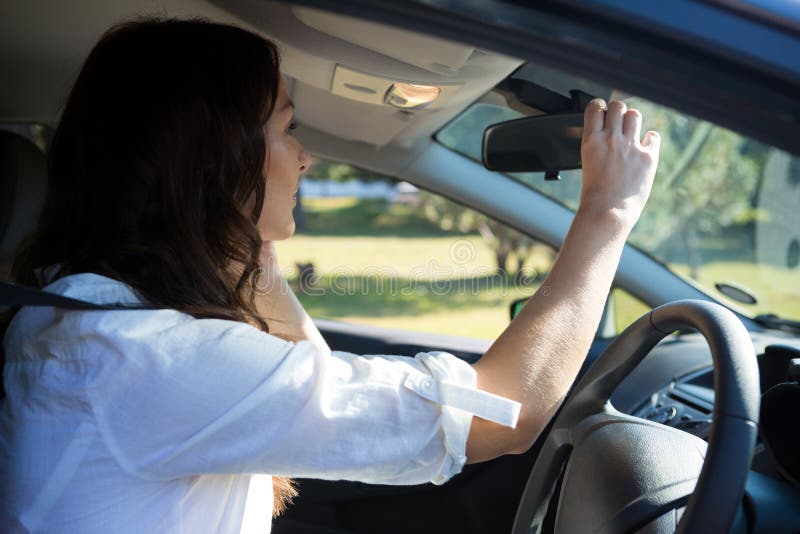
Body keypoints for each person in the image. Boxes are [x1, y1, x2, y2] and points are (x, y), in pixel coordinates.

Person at [0, 17, 659, 534]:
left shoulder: (88, 315)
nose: (305, 157)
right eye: (287, 130)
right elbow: (500, 414)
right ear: (216, 165)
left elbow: (306, 388)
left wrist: (246, 248)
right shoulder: (145, 358)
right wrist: (607, 214)